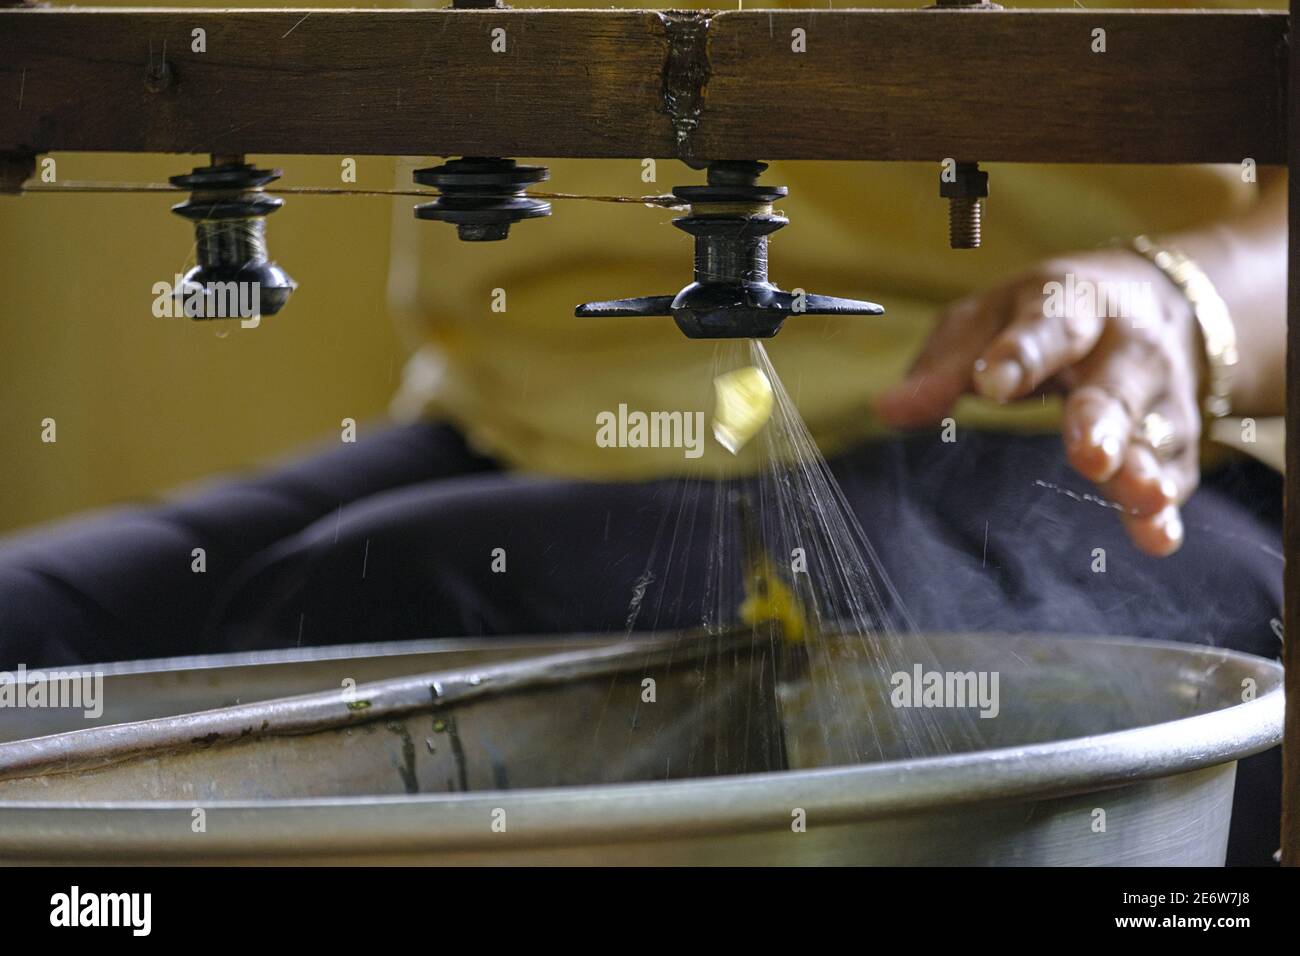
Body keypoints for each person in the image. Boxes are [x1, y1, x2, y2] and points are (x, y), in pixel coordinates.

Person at [0, 0, 1286, 864]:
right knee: (28, 645)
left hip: (1072, 442)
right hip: (519, 427)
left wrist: (1182, 306)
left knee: (363, 598)